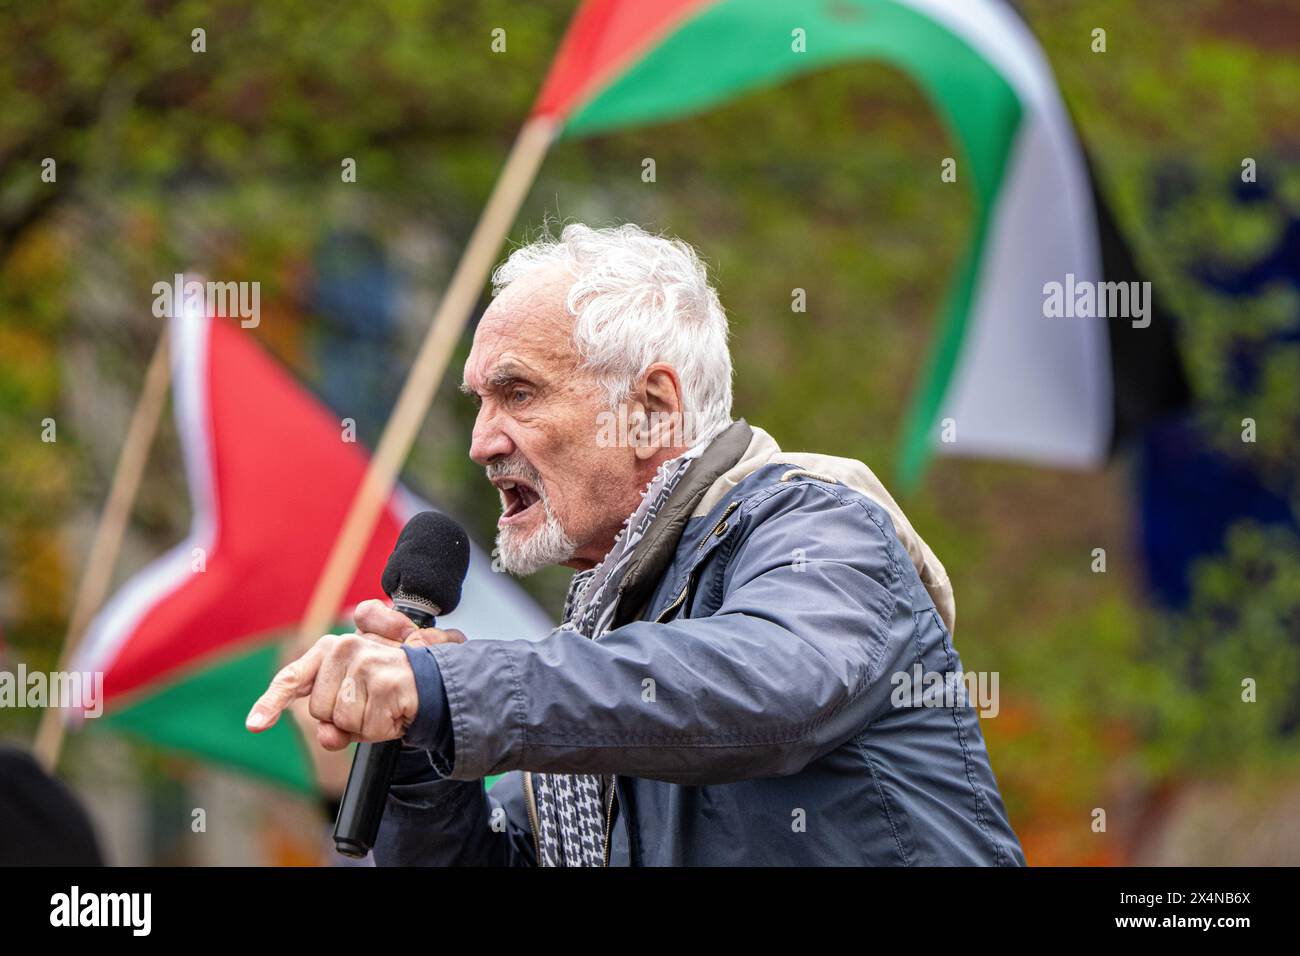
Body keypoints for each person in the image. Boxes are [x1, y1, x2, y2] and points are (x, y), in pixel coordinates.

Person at [248, 222, 1025, 866]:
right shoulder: (603, 635)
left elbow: (772, 683)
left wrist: (451, 685)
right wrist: (415, 749)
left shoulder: (818, 527)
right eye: (480, 402)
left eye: (518, 393)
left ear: (652, 407)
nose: (484, 441)